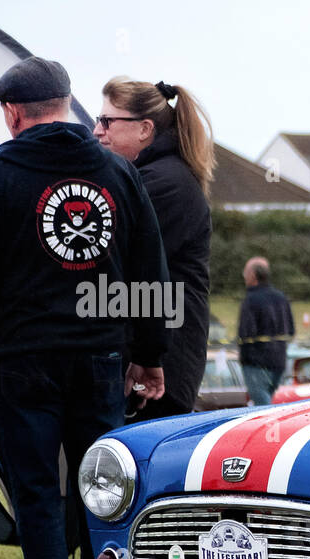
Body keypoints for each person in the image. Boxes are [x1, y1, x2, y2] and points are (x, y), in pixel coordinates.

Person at [0, 57, 168, 559]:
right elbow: (149, 268)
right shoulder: (118, 173)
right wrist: (148, 354)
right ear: (67, 104)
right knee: (106, 491)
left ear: (14, 112)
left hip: (23, 360)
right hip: (101, 357)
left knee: (38, 493)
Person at [94, 78, 214, 419]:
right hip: (153, 360)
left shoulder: (163, 184)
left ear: (145, 129)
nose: (97, 131)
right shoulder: (153, 177)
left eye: (107, 121)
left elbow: (123, 268)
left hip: (160, 368)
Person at [237, 257, 294, 405]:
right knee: (275, 402)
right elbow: (291, 330)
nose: (244, 276)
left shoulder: (250, 300)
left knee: (263, 407)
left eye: (246, 272)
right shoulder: (281, 298)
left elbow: (245, 333)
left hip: (255, 364)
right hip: (279, 361)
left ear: (253, 275)